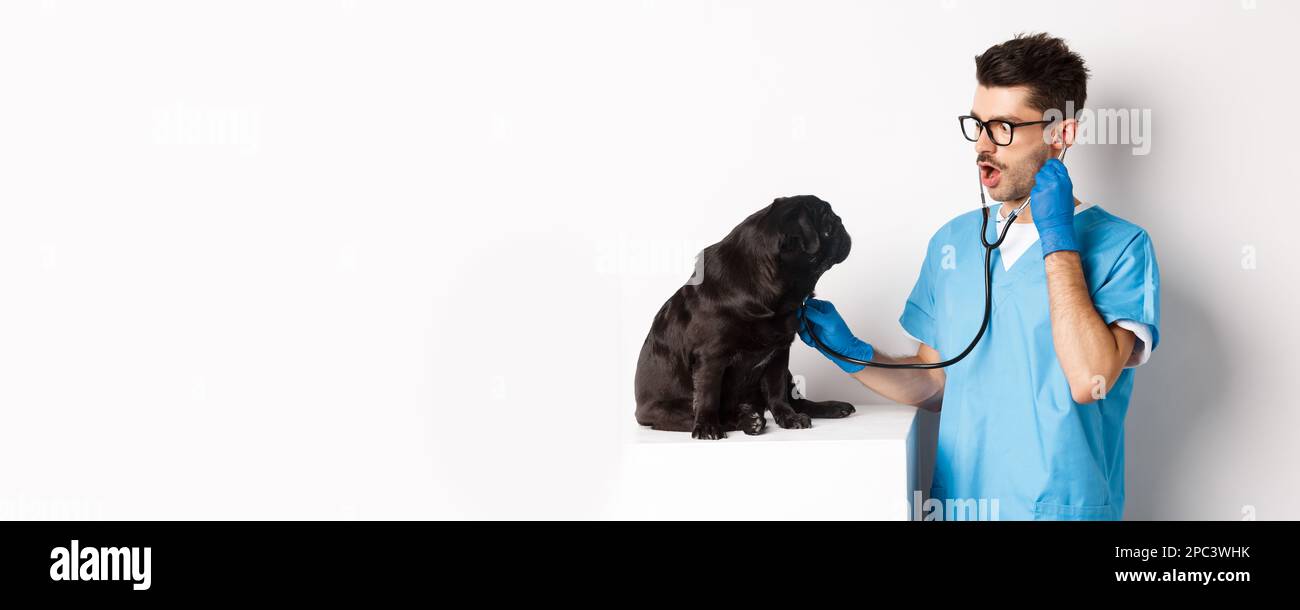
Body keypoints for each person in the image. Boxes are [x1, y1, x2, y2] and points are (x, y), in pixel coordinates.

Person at [798, 33, 1160, 520]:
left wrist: (1058, 241)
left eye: (1005, 127)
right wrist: (849, 352)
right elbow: (934, 387)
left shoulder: (1122, 247)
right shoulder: (953, 243)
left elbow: (1087, 380)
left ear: (1062, 134)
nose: (984, 147)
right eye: (978, 125)